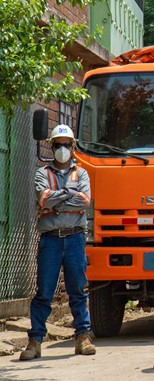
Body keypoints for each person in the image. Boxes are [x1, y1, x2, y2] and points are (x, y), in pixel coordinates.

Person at [19, 124, 95, 360]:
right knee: (44, 291)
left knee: (77, 290)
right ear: (51, 147)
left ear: (73, 147)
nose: (63, 148)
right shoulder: (42, 173)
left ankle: (83, 337)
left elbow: (84, 201)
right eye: (58, 144)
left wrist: (57, 198)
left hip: (74, 238)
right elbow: (44, 199)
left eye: (66, 144)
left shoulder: (81, 173)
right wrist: (67, 195)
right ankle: (35, 341)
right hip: (50, 240)